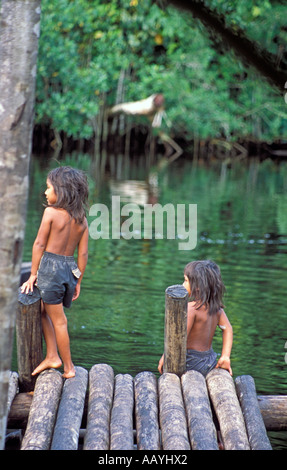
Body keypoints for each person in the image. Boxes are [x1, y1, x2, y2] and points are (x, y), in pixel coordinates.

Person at [21, 166, 89, 379]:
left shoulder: (50, 213)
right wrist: (78, 280)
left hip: (50, 269)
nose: (45, 193)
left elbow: (39, 244)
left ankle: (68, 367)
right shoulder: (82, 220)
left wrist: (33, 274)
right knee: (43, 310)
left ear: (62, 191)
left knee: (59, 320)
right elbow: (83, 253)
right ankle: (52, 355)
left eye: (48, 188)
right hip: (69, 269)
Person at [158, 260, 233, 377]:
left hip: (191, 362)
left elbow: (178, 339)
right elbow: (227, 329)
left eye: (186, 281)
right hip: (210, 361)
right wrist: (225, 356)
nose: (183, 285)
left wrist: (165, 357)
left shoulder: (191, 309)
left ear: (197, 286)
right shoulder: (217, 309)